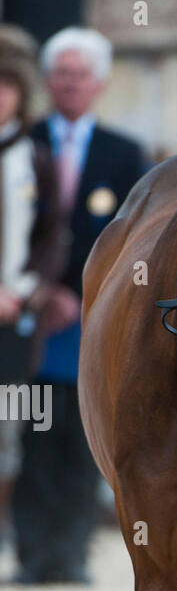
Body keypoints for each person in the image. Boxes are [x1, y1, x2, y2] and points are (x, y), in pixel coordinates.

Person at [11, 27, 148, 584]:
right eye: (61, 73)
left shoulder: (125, 154)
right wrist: (41, 292)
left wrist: (84, 295)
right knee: (30, 430)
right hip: (29, 314)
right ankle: (31, 554)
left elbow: (131, 238)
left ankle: (70, 554)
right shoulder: (22, 142)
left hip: (92, 318)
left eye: (80, 74)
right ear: (46, 81)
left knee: (80, 437)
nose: (70, 83)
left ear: (100, 83)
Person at [0, 39, 65, 549]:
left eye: (7, 88)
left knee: (12, 427)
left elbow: (50, 236)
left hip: (15, 316)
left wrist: (26, 291)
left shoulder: (34, 158)